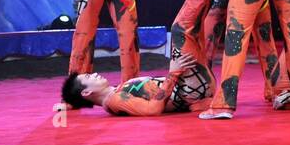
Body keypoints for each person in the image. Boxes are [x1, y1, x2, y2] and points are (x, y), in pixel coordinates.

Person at [60, 49, 212, 116]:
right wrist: (173, 73)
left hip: (191, 87)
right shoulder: (115, 100)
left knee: (199, 28)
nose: (94, 74)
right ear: (86, 92)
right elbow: (152, 110)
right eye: (88, 77)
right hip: (191, 89)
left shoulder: (116, 91)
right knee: (181, 28)